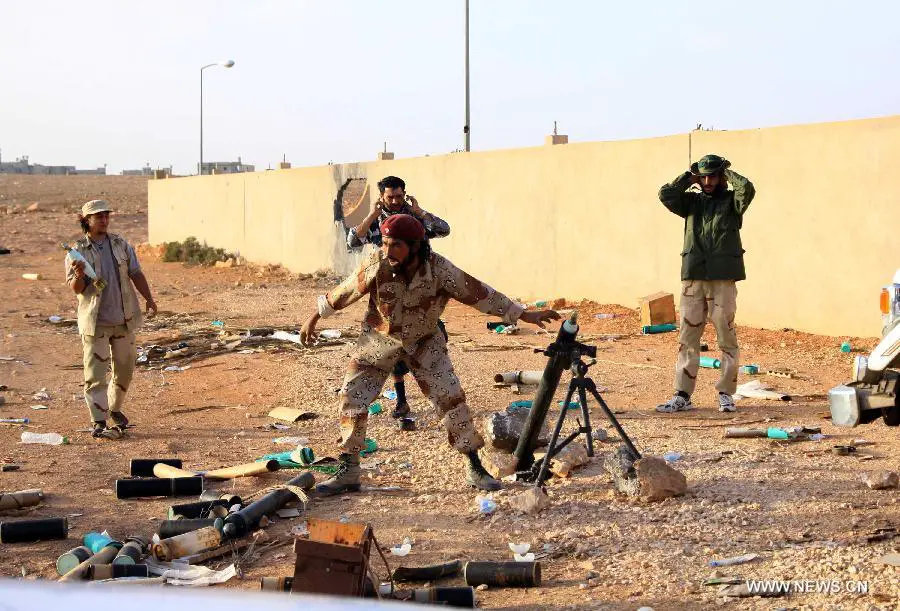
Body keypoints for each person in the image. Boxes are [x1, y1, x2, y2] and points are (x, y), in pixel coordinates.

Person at [303, 214, 559, 494]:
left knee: (450, 399)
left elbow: (480, 293)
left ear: (415, 246)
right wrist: (313, 318)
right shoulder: (376, 264)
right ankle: (348, 470)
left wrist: (522, 314)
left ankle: (474, 465)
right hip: (378, 341)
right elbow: (344, 292)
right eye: (385, 243)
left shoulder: (439, 270)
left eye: (396, 245)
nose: (388, 250)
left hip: (425, 342)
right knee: (352, 397)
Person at [656, 154, 755, 414]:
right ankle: (682, 394)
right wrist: (689, 178)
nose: (708, 181)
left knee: (727, 337)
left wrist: (727, 172)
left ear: (721, 177)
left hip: (723, 277)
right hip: (694, 277)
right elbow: (666, 194)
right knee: (687, 337)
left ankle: (725, 393)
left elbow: (747, 189)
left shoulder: (732, 202)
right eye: (704, 177)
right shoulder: (690, 202)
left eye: (713, 176)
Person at [346, 176, 451, 419]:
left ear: (405, 194)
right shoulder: (378, 222)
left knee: (433, 338)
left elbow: (443, 230)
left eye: (399, 196)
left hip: (421, 287)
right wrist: (372, 216)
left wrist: (419, 211)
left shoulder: (414, 218)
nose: (395, 201)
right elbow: (353, 241)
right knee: (393, 340)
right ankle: (402, 401)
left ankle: (441, 397)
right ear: (382, 197)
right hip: (390, 289)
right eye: (390, 197)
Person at [65, 200, 158, 438]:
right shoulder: (77, 251)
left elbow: (136, 273)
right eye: (99, 217)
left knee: (125, 369)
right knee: (95, 375)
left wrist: (149, 298)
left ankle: (114, 408)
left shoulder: (120, 244)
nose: (104, 221)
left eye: (106, 216)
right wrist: (78, 274)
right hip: (95, 323)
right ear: (86, 220)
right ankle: (98, 420)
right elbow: (76, 289)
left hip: (124, 319)